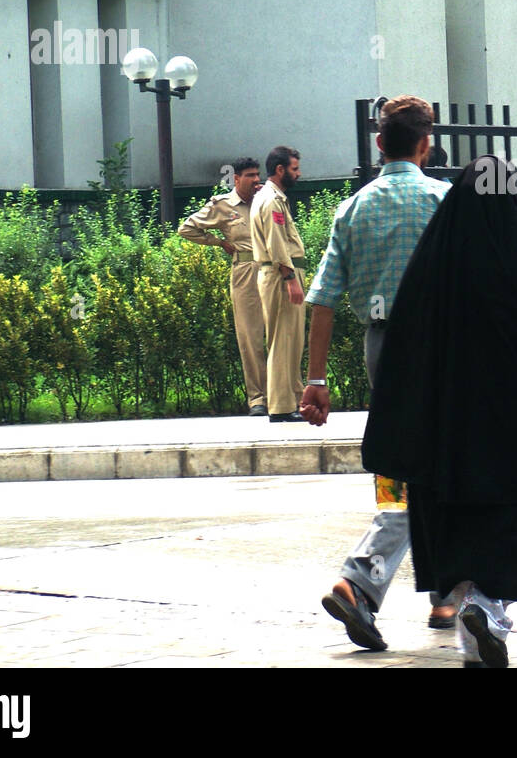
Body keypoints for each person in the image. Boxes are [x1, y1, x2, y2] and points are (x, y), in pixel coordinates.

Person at [362, 156, 517, 668]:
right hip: (515, 433)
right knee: (509, 517)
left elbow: (399, 349)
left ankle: (471, 615)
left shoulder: (433, 262)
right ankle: (489, 610)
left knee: (452, 517)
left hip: (447, 434)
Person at [298, 96, 455, 650]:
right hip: (441, 347)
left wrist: (315, 381)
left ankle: (440, 594)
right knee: (448, 466)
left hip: (381, 346)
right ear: (424, 144)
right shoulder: (445, 202)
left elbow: (321, 299)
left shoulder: (352, 209)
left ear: (379, 144)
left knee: (398, 461)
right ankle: (368, 581)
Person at [177, 157, 268, 415]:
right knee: (250, 337)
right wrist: (219, 242)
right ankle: (258, 400)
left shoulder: (268, 199)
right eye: (250, 175)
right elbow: (187, 228)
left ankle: (281, 395)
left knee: (278, 333)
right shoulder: (223, 205)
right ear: (236, 179)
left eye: (257, 174)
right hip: (245, 271)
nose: (256, 180)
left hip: (273, 270)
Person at [250, 146, 307, 423]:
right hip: (280, 276)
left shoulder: (271, 197)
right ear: (281, 170)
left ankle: (289, 401)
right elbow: (276, 243)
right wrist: (290, 278)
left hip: (279, 275)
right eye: (294, 169)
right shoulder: (272, 200)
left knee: (288, 340)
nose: (299, 174)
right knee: (283, 341)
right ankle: (282, 406)